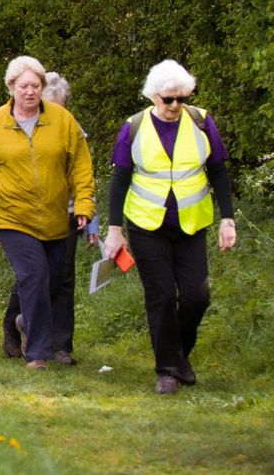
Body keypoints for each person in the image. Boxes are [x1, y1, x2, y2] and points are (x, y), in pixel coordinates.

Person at [102, 60, 236, 394]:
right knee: (161, 296)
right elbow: (119, 179)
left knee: (197, 297)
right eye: (168, 99)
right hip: (147, 226)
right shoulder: (133, 127)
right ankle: (166, 370)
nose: (176, 105)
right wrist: (115, 230)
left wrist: (228, 219)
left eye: (181, 98)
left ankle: (178, 357)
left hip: (192, 224)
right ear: (153, 97)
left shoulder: (201, 122)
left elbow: (218, 171)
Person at [0, 56, 95, 370]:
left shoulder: (62, 121)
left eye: (35, 86)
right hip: (11, 215)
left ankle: (26, 322)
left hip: (54, 215)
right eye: (23, 86)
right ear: (11, 87)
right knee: (34, 274)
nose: (30, 92)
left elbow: (81, 165)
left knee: (51, 279)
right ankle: (38, 353)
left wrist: (84, 205)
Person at [0, 71, 99, 363]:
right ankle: (16, 326)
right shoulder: (17, 128)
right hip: (27, 213)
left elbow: (85, 175)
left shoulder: (75, 131)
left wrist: (90, 216)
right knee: (32, 275)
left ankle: (60, 344)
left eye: (61, 105)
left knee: (62, 277)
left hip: (66, 214)